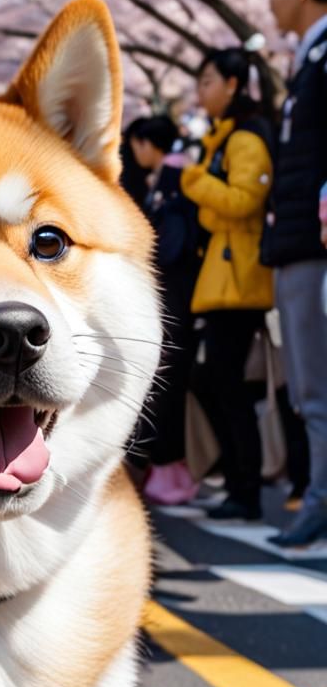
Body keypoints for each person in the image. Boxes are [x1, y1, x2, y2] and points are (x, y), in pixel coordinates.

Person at [180, 48, 275, 521]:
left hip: (238, 280)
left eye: (209, 81)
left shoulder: (243, 139)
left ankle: (246, 487)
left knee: (224, 383)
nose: (202, 91)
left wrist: (196, 182)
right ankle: (239, 480)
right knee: (216, 381)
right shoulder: (224, 139)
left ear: (234, 85)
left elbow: (243, 201)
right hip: (224, 281)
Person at [264, 0, 327, 547]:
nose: (270, 1)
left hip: (314, 243)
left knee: (316, 383)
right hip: (303, 240)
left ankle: (322, 501)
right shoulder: (311, 60)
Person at [129, 115, 201, 504]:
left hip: (174, 298)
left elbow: (169, 244)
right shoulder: (172, 176)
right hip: (180, 297)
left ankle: (170, 473)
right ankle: (166, 473)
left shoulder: (174, 178)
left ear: (147, 143)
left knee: (167, 392)